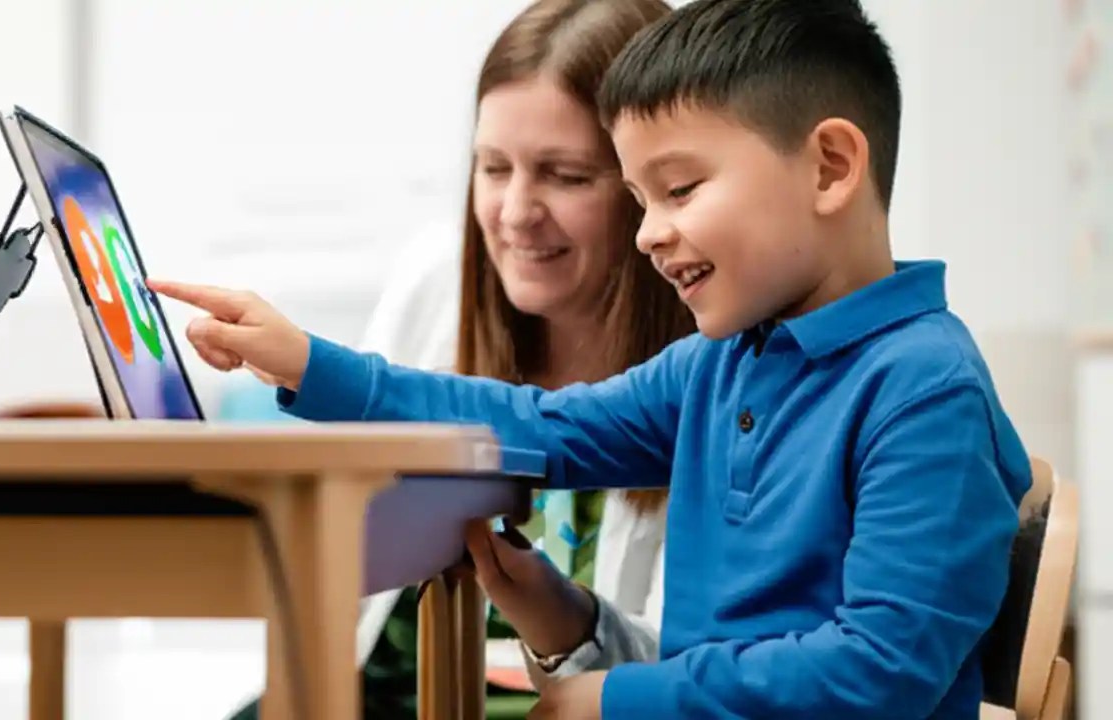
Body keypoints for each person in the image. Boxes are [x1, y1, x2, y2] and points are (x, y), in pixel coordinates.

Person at [152, 0, 1033, 717]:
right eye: (641, 197)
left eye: (680, 189)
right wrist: (311, 364)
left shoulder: (924, 391)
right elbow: (540, 425)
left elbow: (881, 671)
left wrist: (621, 697)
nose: (649, 233)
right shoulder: (716, 365)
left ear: (831, 167)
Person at [218, 1, 693, 718]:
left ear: (646, 188)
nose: (515, 211)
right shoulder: (436, 278)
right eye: (494, 168)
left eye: (565, 176)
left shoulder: (709, 374)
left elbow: (681, 681)